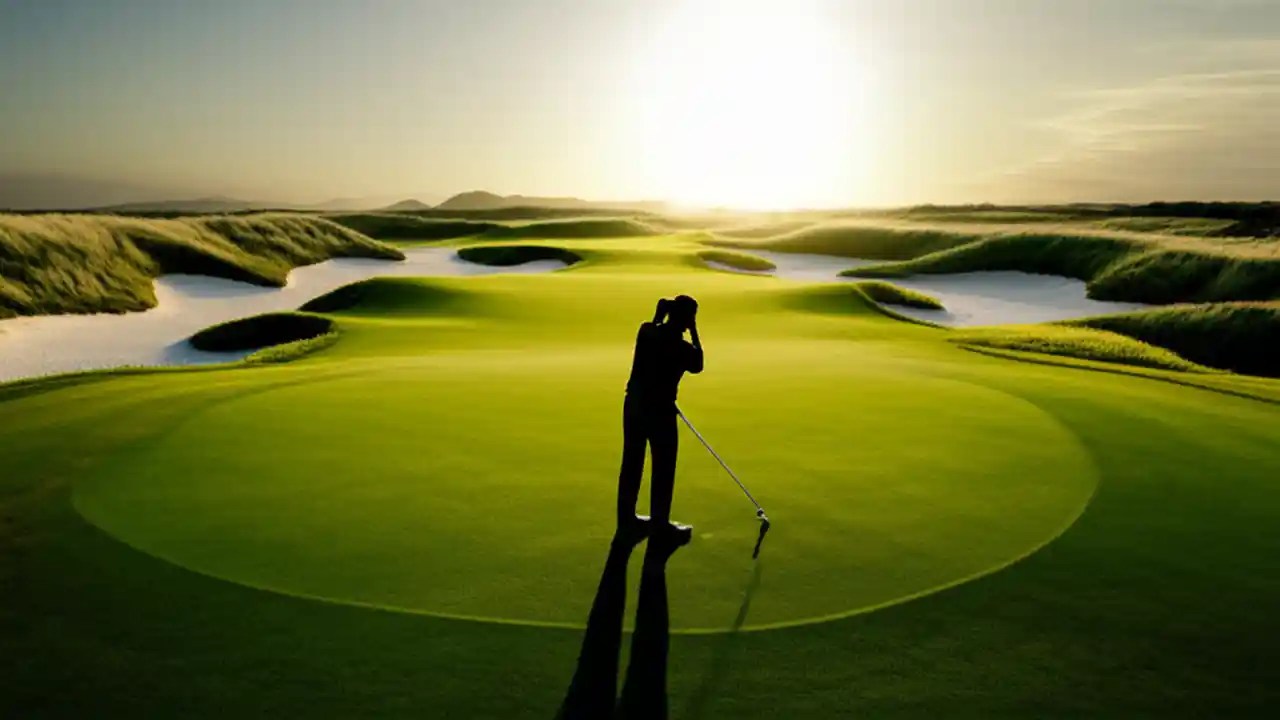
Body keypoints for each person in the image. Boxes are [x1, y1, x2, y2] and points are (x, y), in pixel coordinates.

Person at [616, 295, 703, 548]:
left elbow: (652, 328)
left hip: (633, 406)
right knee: (664, 468)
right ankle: (660, 525)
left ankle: (626, 521)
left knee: (632, 462)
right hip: (660, 412)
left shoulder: (647, 332)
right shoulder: (682, 348)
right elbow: (699, 364)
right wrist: (694, 330)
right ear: (687, 320)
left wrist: (659, 315)